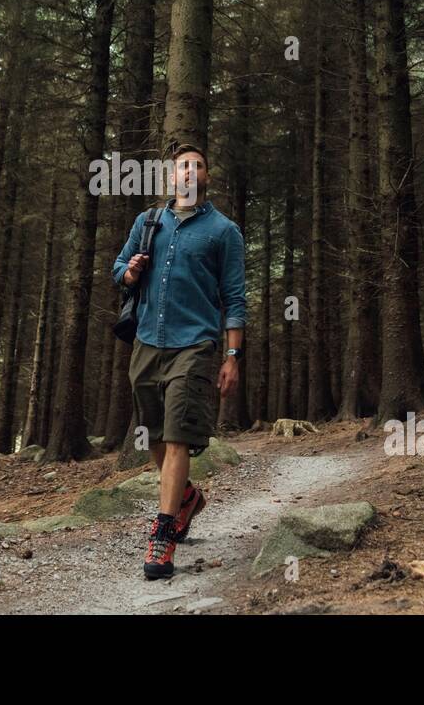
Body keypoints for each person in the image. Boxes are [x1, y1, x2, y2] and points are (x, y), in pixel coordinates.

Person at [112, 142, 247, 580]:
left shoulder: (224, 231)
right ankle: (187, 497)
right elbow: (119, 269)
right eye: (182, 166)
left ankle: (163, 537)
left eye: (198, 165)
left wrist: (231, 355)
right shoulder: (147, 222)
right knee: (152, 435)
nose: (190, 171)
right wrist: (129, 271)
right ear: (171, 177)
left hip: (195, 346)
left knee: (176, 439)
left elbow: (235, 298)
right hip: (148, 342)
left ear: (207, 177)